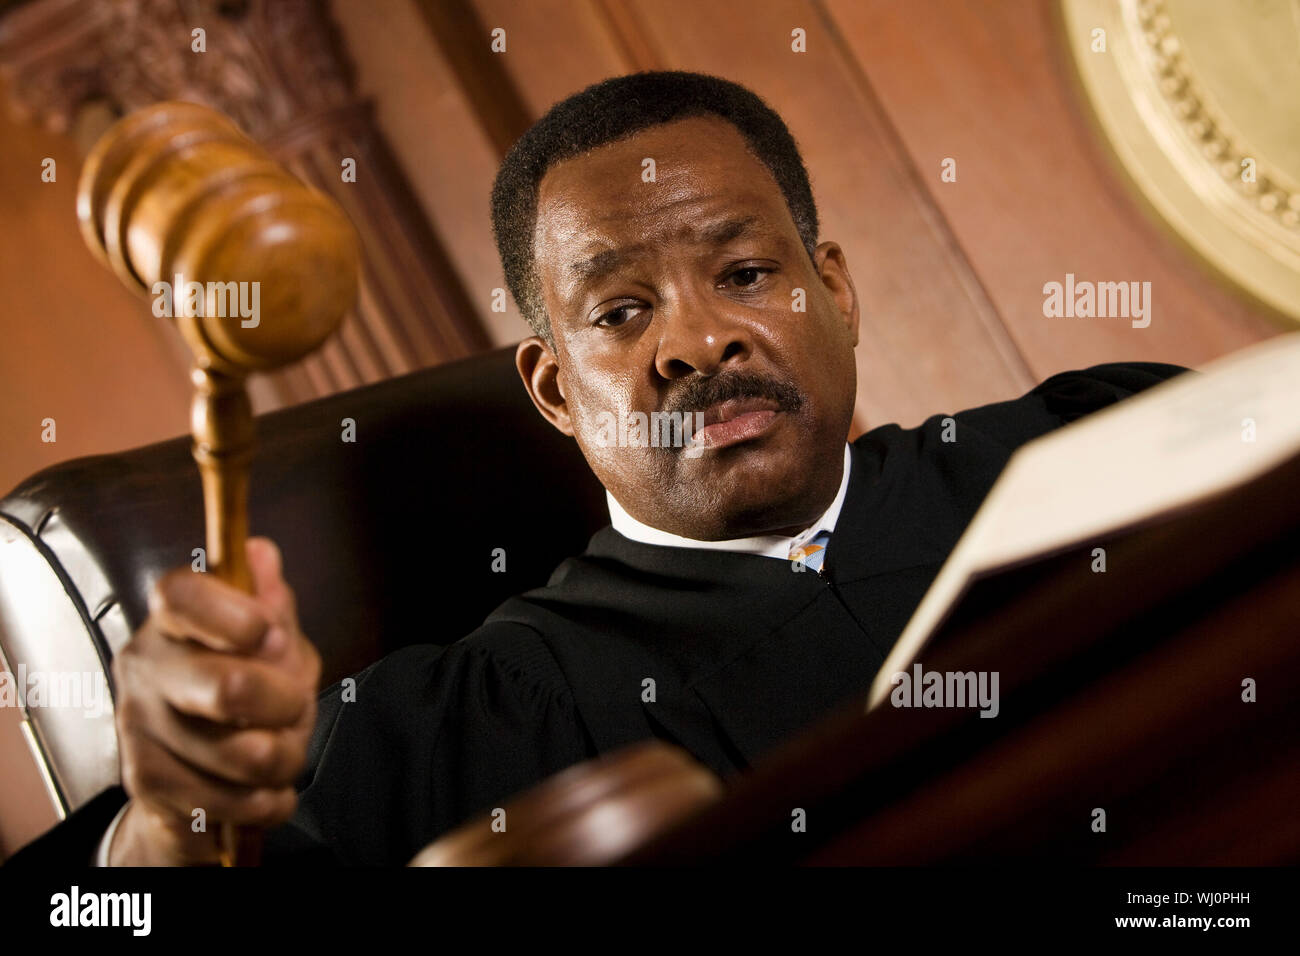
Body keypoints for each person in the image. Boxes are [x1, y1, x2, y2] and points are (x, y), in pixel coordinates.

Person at [8, 70, 1187, 867]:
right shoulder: (467, 723)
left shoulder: (1098, 450)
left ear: (834, 290)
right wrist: (168, 822)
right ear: (556, 388)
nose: (695, 342)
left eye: (743, 275)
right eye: (621, 310)